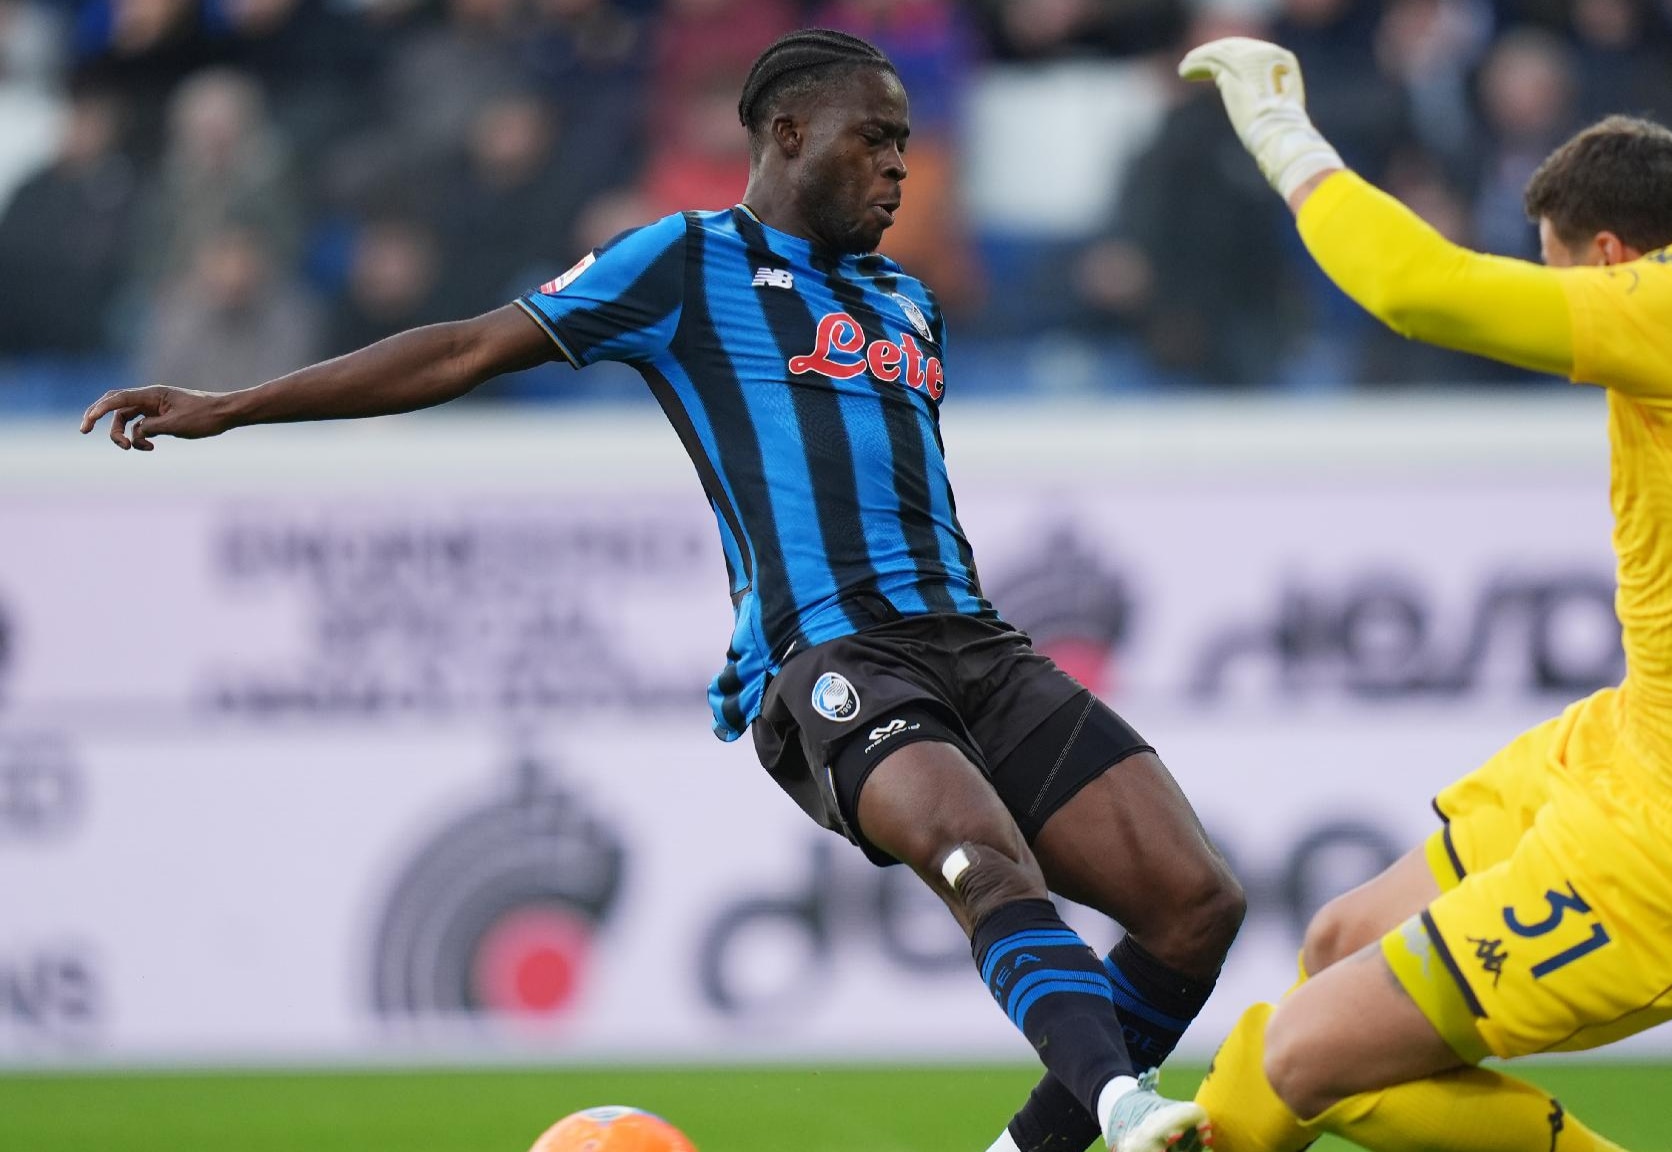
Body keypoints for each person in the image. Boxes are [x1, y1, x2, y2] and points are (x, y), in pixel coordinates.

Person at [79, 28, 1238, 1152]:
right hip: (844, 662)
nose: (899, 164)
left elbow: (845, 487)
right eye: (874, 139)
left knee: (1196, 905)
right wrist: (233, 403)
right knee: (982, 863)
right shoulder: (685, 263)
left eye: (906, 140)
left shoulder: (905, 303)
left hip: (979, 648)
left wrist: (743, 610)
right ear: (787, 132)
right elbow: (460, 352)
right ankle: (1123, 1115)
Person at [1177, 38, 1672, 1152]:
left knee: (1299, 1056)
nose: (1557, 305)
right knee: (1339, 947)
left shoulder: (1671, 309)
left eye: (1554, 274)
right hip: (1630, 746)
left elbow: (1415, 289)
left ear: (1608, 256)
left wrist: (1281, 136)